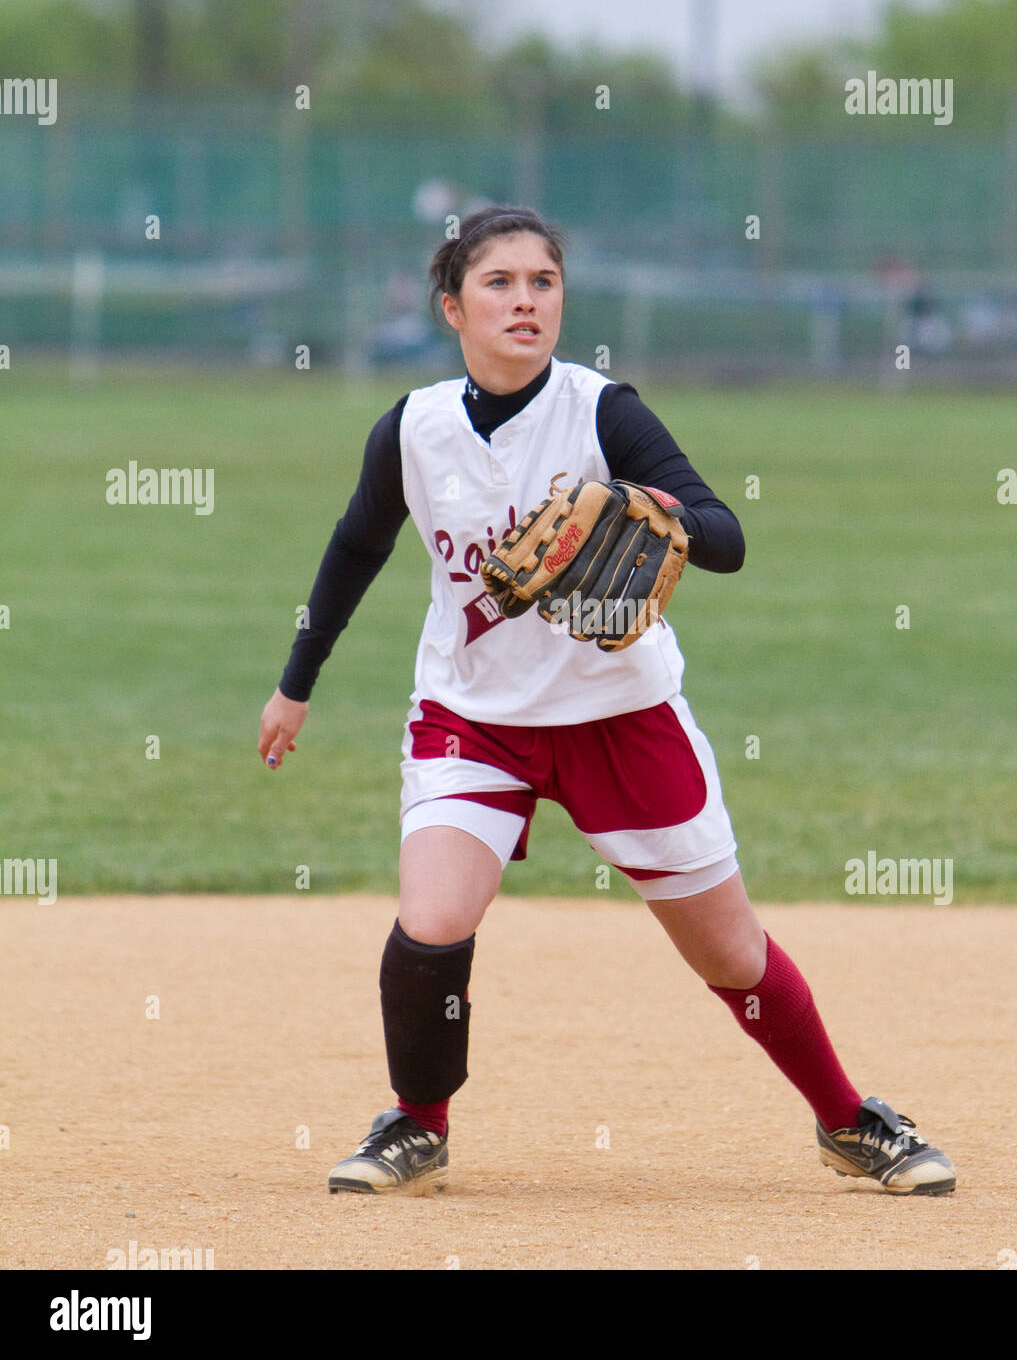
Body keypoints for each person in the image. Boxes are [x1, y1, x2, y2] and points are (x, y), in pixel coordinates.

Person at [257, 205, 956, 1198]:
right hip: (474, 717)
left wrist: (652, 509)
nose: (526, 300)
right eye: (499, 283)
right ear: (452, 306)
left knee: (733, 955)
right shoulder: (412, 428)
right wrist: (297, 684)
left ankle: (848, 1119)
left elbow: (726, 534)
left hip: (620, 719)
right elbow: (356, 547)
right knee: (430, 930)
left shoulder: (600, 411)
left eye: (543, 281)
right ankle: (417, 1123)